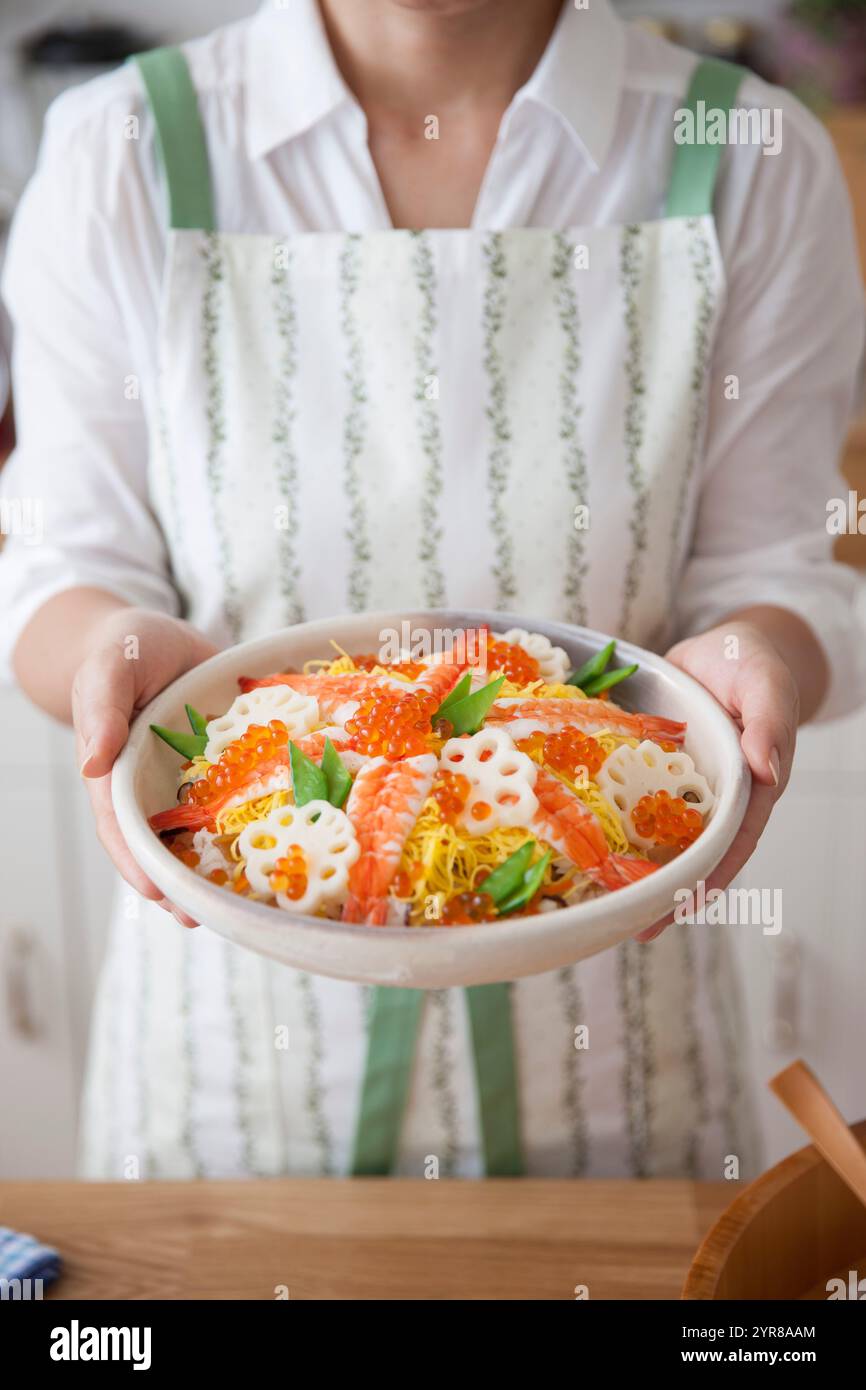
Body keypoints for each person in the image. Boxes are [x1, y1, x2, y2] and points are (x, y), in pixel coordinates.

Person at [1, 0, 864, 1180]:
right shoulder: (122, 150)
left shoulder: (749, 157)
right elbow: (66, 567)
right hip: (231, 1057)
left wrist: (755, 657)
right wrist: (108, 649)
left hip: (618, 1041)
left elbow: (774, 570)